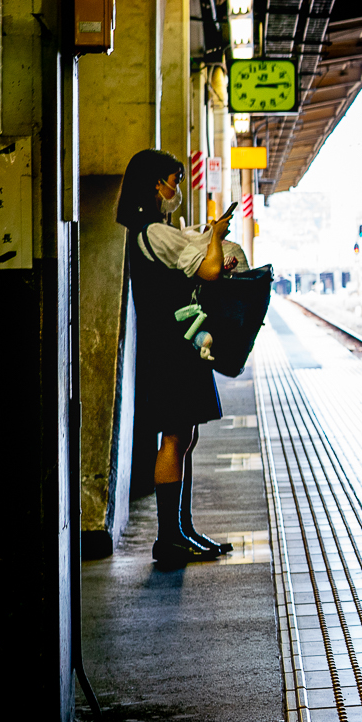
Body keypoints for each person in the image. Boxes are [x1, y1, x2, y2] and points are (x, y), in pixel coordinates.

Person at [117, 149, 249, 567]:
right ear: (156, 184)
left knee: (184, 436)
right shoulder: (154, 232)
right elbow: (208, 270)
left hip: (175, 343)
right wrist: (216, 235)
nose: (177, 188)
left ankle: (182, 530)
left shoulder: (154, 230)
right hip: (170, 346)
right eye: (173, 180)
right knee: (175, 437)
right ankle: (170, 538)